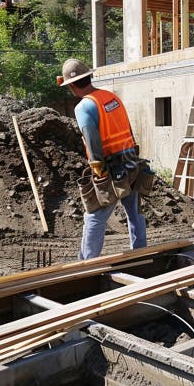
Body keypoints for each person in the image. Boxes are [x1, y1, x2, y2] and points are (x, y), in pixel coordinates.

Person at [58, 58, 147, 259]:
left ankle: (87, 264)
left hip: (112, 167)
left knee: (96, 216)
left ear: (71, 85)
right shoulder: (111, 97)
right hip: (131, 160)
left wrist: (99, 172)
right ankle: (141, 255)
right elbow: (128, 128)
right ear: (89, 77)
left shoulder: (83, 107)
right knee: (134, 211)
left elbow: (92, 140)